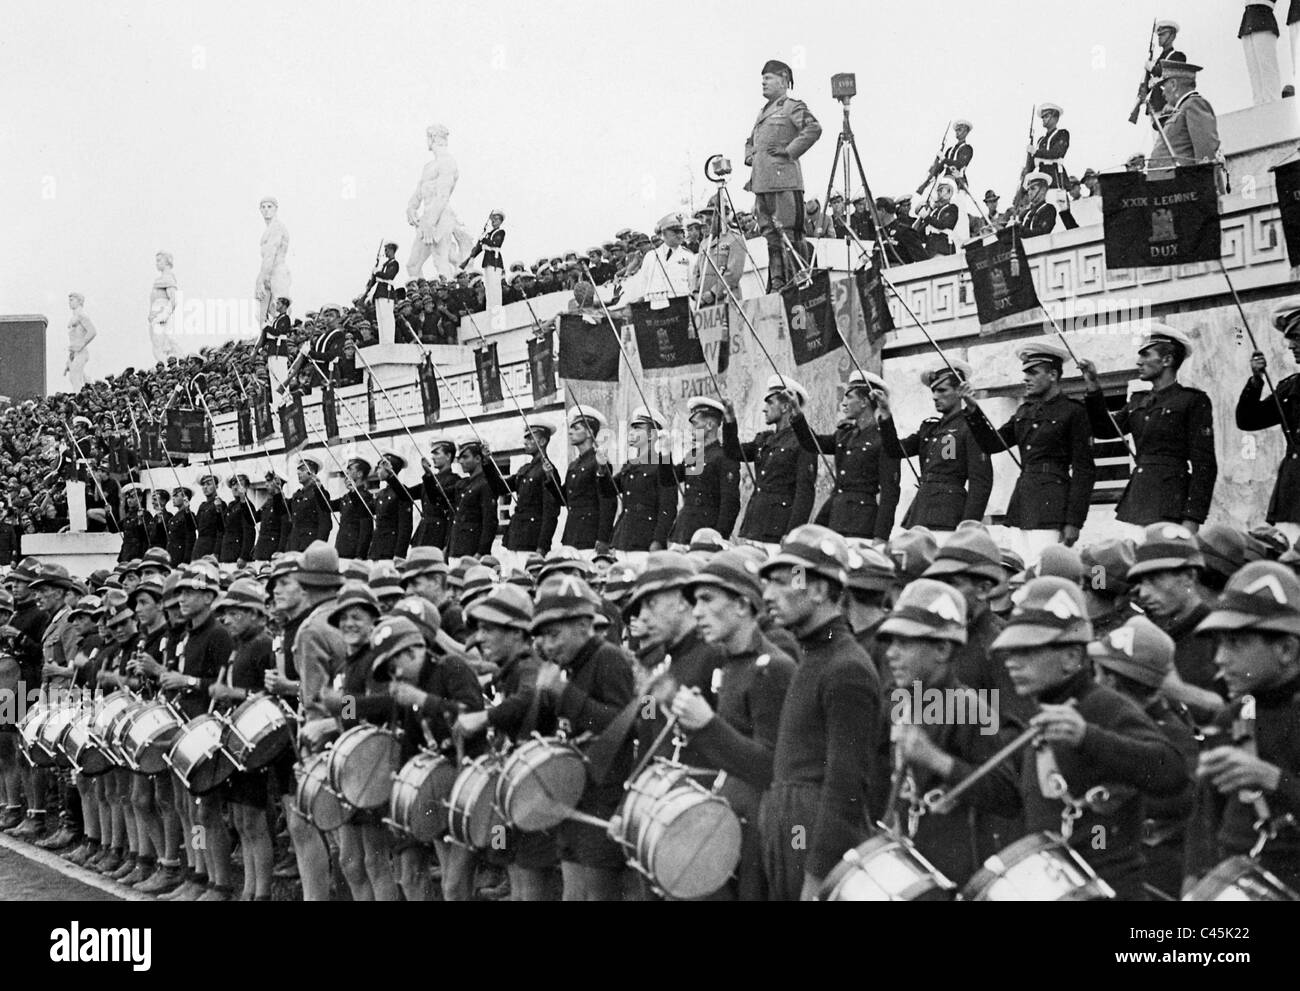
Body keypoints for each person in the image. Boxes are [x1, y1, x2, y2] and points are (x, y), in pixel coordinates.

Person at [989, 576, 1189, 900]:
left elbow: (1172, 772)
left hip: (1107, 890)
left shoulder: (1103, 705)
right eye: (1011, 650)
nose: (1012, 662)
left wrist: (1086, 737)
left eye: (1027, 650)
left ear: (1071, 657)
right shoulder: (1038, 708)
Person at [758, 525, 881, 900]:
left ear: (818, 589)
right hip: (792, 826)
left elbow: (845, 787)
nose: (768, 594)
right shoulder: (817, 656)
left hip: (811, 834)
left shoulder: (847, 668)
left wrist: (816, 879)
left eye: (781, 582)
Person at [669, 550, 797, 900]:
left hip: (759, 829)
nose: (697, 612)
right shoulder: (729, 663)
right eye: (695, 602)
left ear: (742, 605)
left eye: (707, 599)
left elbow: (771, 767)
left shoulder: (772, 667)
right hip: (730, 818)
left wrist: (707, 725)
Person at [875, 578, 1017, 888]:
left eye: (905, 643)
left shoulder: (973, 707)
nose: (890, 654)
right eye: (890, 642)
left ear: (941, 648)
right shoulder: (902, 698)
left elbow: (1008, 793)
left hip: (954, 873)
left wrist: (938, 761)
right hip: (907, 865)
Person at [1185, 560, 1300, 893]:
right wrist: (1193, 884)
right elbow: (1204, 815)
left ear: (1286, 649)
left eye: (1235, 644)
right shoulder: (1233, 717)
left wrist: (1274, 780)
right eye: (1220, 644)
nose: (1220, 659)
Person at [530, 575, 636, 900]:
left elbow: (622, 726)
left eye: (554, 635)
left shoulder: (608, 658)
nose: (548, 646)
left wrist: (563, 693)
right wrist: (544, 697)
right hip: (574, 794)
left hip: (605, 798)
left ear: (583, 625)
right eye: (543, 638)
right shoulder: (569, 666)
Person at [455, 585, 562, 900]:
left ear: (517, 633)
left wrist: (484, 718)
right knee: (515, 877)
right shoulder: (510, 670)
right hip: (514, 794)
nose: (481, 638)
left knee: (528, 888)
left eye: (489, 629)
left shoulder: (528, 668)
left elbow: (533, 696)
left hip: (534, 793)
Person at [1088, 615, 1198, 901]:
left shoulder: (1169, 734)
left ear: (1110, 680)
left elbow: (1183, 797)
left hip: (1152, 869)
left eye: (1098, 674)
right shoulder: (1114, 720)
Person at [959, 341, 1095, 564]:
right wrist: (973, 408)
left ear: (1052, 375)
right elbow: (993, 443)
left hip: (1052, 508)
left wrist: (1074, 521)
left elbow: (1084, 470)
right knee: (1019, 571)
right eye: (1025, 373)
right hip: (1022, 505)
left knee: (1047, 571)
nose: (1026, 378)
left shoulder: (1073, 411)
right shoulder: (1024, 411)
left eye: (1033, 372)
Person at [1078, 324, 1216, 534]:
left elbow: (1204, 465)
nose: (1138, 361)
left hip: (1171, 504)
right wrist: (1093, 386)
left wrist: (1193, 516)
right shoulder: (1138, 401)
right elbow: (1105, 430)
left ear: (1167, 360)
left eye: (1146, 355)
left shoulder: (1192, 401)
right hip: (1137, 501)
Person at [209, 578, 277, 900]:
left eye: (235, 613)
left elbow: (272, 697)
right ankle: (248, 889)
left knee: (253, 821)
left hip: (256, 744)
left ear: (255, 614)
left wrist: (231, 693)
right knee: (240, 819)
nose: (227, 619)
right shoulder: (239, 649)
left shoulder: (263, 645)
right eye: (226, 614)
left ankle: (261, 892)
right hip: (238, 743)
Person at [875, 360, 993, 534]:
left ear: (960, 392)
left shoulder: (971, 427)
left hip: (949, 516)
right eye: (933, 391)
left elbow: (980, 483)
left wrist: (968, 527)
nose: (935, 396)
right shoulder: (929, 428)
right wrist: (885, 414)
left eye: (942, 390)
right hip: (921, 513)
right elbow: (896, 450)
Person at [1126, 523, 1227, 724]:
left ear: (1189, 576)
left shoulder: (1222, 635)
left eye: (1154, 579)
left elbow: (1249, 711)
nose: (1144, 593)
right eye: (1142, 581)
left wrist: (1177, 691)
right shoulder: (1146, 631)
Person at [792, 370, 900, 542]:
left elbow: (890, 492)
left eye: (849, 397)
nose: (844, 403)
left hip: (861, 523)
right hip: (835, 517)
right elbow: (812, 443)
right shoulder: (845, 435)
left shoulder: (884, 438)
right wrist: (797, 415)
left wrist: (881, 536)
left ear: (864, 402)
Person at [744, 59, 822, 291]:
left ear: (783, 80)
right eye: (763, 79)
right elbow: (750, 141)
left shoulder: (791, 106)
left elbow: (813, 128)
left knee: (789, 232)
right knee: (770, 236)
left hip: (784, 182)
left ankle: (799, 279)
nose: (763, 83)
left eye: (768, 79)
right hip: (762, 184)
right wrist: (751, 157)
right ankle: (778, 282)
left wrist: (789, 151)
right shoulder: (762, 112)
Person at [721, 376, 818, 551]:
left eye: (769, 403)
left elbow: (804, 492)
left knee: (792, 575)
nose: (764, 409)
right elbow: (732, 451)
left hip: (778, 530)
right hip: (755, 527)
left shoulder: (802, 440)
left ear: (786, 406)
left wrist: (793, 533)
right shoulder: (764, 439)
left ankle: (798, 579)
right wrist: (729, 419)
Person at [1238, 299, 1300, 546]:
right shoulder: (1292, 387)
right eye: (1291, 338)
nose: (1292, 345)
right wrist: (1256, 380)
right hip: (1293, 495)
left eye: (1297, 336)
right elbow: (1248, 420)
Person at [669, 396, 741, 545]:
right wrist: (663, 455)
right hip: (684, 532)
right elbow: (669, 479)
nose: (691, 429)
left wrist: (719, 537)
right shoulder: (694, 455)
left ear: (709, 425)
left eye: (695, 424)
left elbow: (730, 503)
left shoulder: (723, 456)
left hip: (706, 535)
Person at [610, 407, 677, 562]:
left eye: (638, 428)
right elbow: (608, 490)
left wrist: (658, 541)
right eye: (632, 428)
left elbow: (668, 507)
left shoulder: (662, 465)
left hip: (645, 542)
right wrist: (601, 470)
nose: (631, 433)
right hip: (623, 540)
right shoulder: (630, 465)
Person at [502, 424, 564, 564]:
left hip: (532, 540)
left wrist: (542, 546)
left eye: (530, 438)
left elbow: (550, 512)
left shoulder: (547, 471)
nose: (525, 442)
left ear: (542, 441)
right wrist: (487, 463)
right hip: (514, 538)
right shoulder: (525, 469)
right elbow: (501, 487)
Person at [560, 405, 618, 555]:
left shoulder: (598, 463)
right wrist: (549, 478)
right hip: (571, 536)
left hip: (590, 537)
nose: (570, 432)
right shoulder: (574, 465)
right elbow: (564, 498)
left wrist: (603, 538)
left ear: (589, 432)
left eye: (576, 428)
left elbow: (608, 501)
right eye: (571, 428)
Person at [1147, 61, 1221, 175]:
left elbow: (1205, 151)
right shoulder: (1181, 109)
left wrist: (1203, 186)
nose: (1162, 93)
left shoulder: (1193, 104)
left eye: (1163, 86)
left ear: (1173, 84)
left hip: (1185, 186)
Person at [618, 213, 695, 303]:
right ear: (664, 234)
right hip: (655, 306)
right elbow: (643, 283)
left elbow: (693, 283)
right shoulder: (651, 256)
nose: (680, 235)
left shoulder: (689, 256)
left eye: (682, 232)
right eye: (675, 232)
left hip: (682, 305)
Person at [448, 440, 506, 558]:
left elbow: (489, 521)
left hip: (472, 551)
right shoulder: (464, 484)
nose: (460, 461)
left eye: (465, 457)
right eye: (460, 458)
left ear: (478, 459)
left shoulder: (485, 484)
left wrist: (481, 552)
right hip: (457, 549)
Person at [1140, 20, 1187, 121]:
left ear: (1173, 36)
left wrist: (1152, 68)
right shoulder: (1156, 61)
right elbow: (1147, 87)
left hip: (1168, 107)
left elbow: (1168, 72)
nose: (1160, 37)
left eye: (1163, 34)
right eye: (1159, 35)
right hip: (1154, 109)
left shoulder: (1177, 56)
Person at [413, 441, 457, 550]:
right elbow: (406, 494)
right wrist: (391, 476)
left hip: (438, 535)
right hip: (423, 534)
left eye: (437, 453)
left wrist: (428, 475)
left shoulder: (454, 480)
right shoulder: (429, 480)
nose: (432, 458)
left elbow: (437, 497)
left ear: (448, 456)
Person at [1240, 2, 1283, 106]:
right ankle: (1259, 105)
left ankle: (1274, 104)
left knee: (1267, 67)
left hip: (1263, 16)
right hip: (1249, 18)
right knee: (1254, 71)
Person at [331, 457, 375, 560]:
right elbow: (327, 506)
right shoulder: (347, 497)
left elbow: (366, 527)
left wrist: (360, 554)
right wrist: (318, 489)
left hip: (353, 551)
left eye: (350, 469)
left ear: (359, 474)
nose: (346, 472)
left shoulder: (365, 497)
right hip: (342, 548)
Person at [287, 456, 334, 551]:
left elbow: (325, 524)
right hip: (294, 546)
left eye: (303, 469)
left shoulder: (319, 493)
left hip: (310, 546)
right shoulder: (297, 495)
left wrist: (319, 548)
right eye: (298, 470)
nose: (298, 473)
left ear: (312, 472)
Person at [363, 242, 403, 347]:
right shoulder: (385, 264)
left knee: (387, 317)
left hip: (387, 293)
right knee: (380, 318)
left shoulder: (394, 264)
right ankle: (383, 341)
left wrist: (377, 272)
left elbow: (389, 276)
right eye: (385, 250)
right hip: (380, 292)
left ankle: (389, 341)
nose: (386, 252)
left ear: (393, 251)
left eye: (388, 250)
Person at [219, 474, 256, 566]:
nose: (235, 487)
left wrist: (244, 556)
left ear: (246, 486)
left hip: (237, 555)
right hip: (226, 554)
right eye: (233, 484)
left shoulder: (247, 506)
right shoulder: (231, 506)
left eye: (239, 483)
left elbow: (249, 532)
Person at [917, 178, 960, 257]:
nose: (938, 193)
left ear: (949, 192)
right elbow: (921, 232)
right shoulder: (935, 211)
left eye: (941, 190)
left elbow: (942, 224)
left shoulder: (951, 208)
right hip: (930, 248)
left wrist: (926, 217)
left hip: (943, 247)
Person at [252, 471, 290, 560]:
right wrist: (243, 500)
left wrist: (280, 551)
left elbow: (285, 531)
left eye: (269, 481)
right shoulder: (268, 503)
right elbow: (252, 519)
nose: (266, 485)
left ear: (278, 483)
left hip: (273, 552)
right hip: (261, 551)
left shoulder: (285, 504)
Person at [65, 292, 97, 390]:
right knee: (80, 376)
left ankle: (79, 397)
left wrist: (81, 345)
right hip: (75, 352)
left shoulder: (82, 315)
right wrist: (70, 355)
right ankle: (92, 389)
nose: (69, 302)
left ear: (79, 301)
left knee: (75, 376)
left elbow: (92, 331)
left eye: (72, 300)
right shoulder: (74, 317)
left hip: (81, 351)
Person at [1016, 172, 1057, 237]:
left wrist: (1018, 229)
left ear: (1043, 190)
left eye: (1033, 189)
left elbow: (1041, 232)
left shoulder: (1048, 209)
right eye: (1028, 189)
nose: (1029, 192)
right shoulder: (1026, 213)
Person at [165, 486, 197, 566]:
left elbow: (190, 537)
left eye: (176, 496)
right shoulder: (174, 517)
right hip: (172, 553)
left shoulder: (188, 515)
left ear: (185, 498)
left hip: (180, 555)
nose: (173, 498)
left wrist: (186, 559)